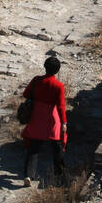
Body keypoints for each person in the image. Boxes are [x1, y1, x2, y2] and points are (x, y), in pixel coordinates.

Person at [20, 54, 67, 187]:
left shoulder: (36, 80)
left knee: (34, 147)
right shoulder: (58, 86)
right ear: (57, 70)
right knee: (57, 148)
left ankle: (28, 175)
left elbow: (25, 94)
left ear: (45, 67)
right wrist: (64, 122)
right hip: (52, 119)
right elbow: (61, 106)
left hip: (36, 116)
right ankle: (60, 175)